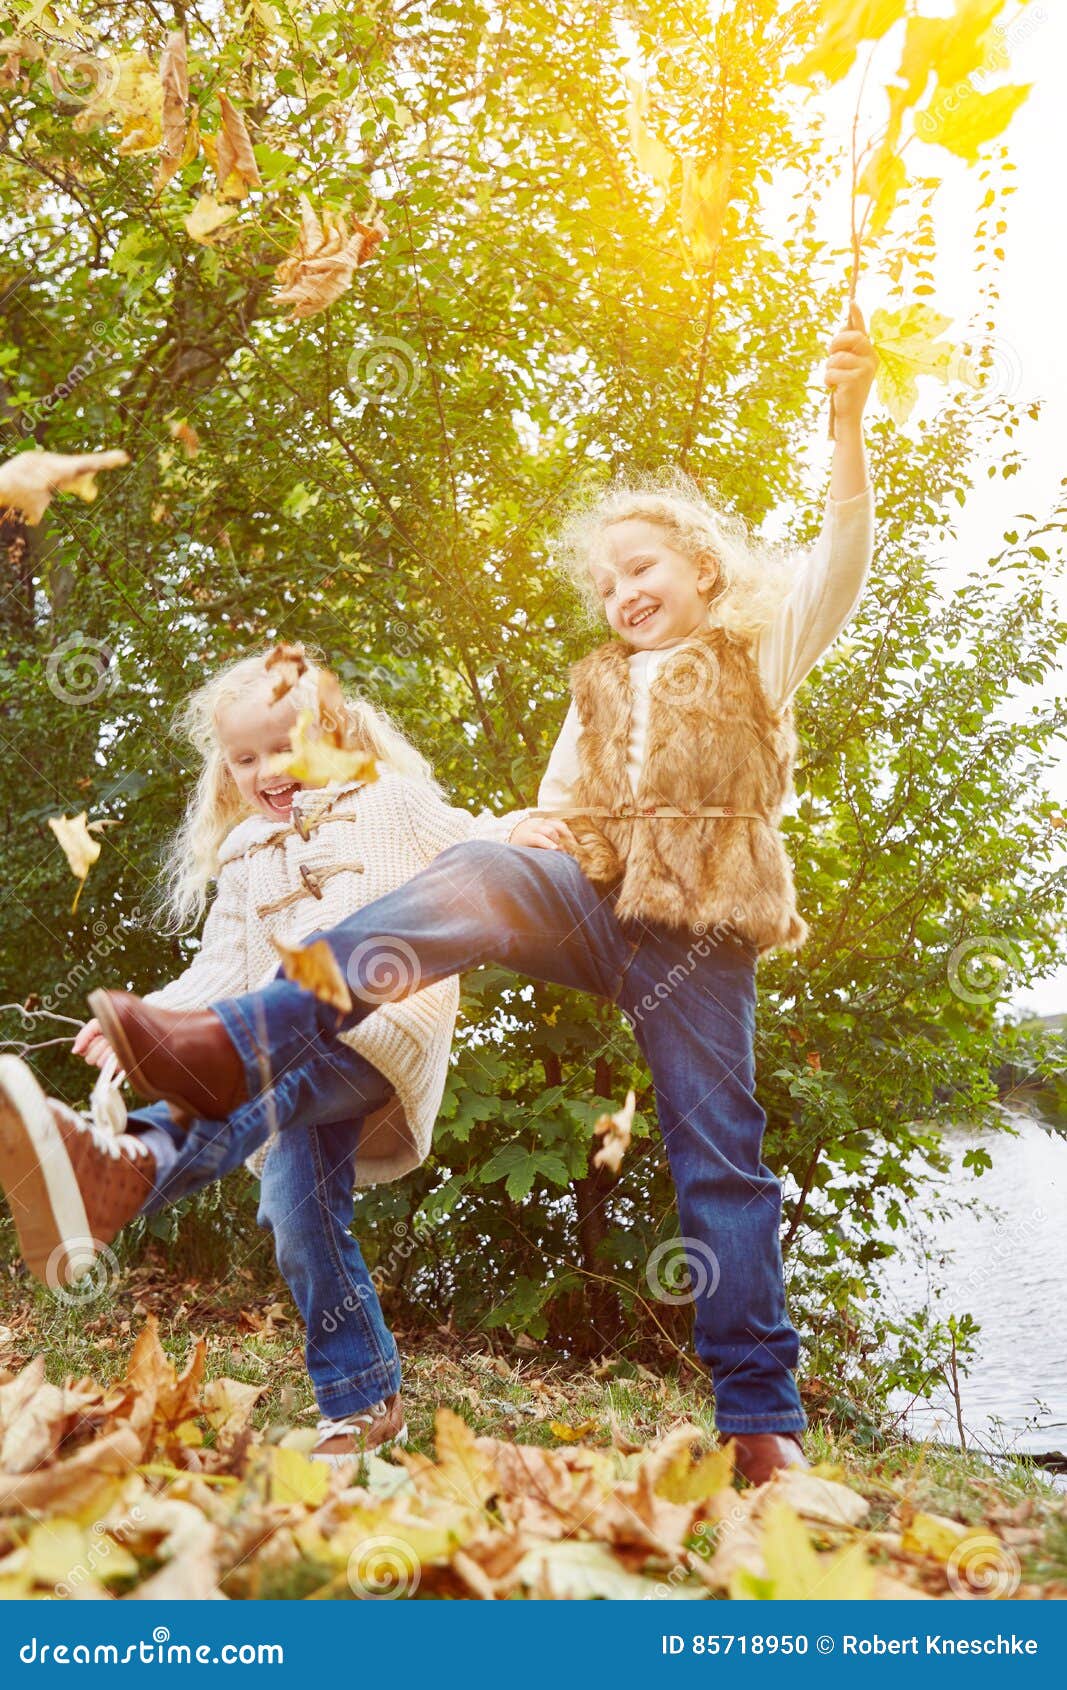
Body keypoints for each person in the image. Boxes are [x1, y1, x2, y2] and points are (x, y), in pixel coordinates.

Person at [2, 308, 877, 1480]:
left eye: (642, 566)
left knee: (719, 1154)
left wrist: (845, 422)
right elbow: (552, 814)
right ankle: (236, 1043)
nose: (620, 591)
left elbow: (841, 554)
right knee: (478, 871)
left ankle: (761, 1427)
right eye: (606, 579)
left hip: (698, 937)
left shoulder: (755, 656)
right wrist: (530, 830)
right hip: (595, 904)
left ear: (704, 570)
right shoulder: (598, 686)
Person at [0, 642, 541, 1461]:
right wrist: (137, 1023)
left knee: (261, 1080)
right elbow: (217, 968)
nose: (264, 770)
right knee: (298, 1219)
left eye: (281, 747)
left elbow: (474, 843)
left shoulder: (389, 800)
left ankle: (121, 1167)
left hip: (376, 1030)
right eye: (243, 757)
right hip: (269, 1049)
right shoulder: (247, 855)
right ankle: (365, 1402)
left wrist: (531, 830)